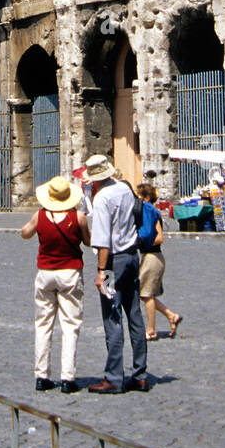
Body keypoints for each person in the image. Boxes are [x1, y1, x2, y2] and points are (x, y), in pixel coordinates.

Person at [21, 174, 90, 394]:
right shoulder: (78, 217)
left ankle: (42, 376)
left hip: (45, 272)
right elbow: (88, 241)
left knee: (43, 325)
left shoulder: (40, 215)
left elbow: (25, 234)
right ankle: (68, 378)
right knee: (70, 326)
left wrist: (38, 228)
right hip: (70, 271)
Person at [85, 154, 148, 394]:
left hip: (112, 262)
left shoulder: (102, 199)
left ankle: (113, 377)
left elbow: (102, 242)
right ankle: (140, 374)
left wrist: (102, 272)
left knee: (112, 316)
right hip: (132, 257)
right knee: (134, 315)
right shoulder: (124, 188)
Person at [136, 183, 182, 340]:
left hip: (153, 257)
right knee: (146, 295)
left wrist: (141, 242)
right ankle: (171, 316)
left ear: (146, 198)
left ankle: (151, 330)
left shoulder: (151, 212)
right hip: (149, 257)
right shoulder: (147, 212)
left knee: (146, 295)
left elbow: (159, 237)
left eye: (139, 197)